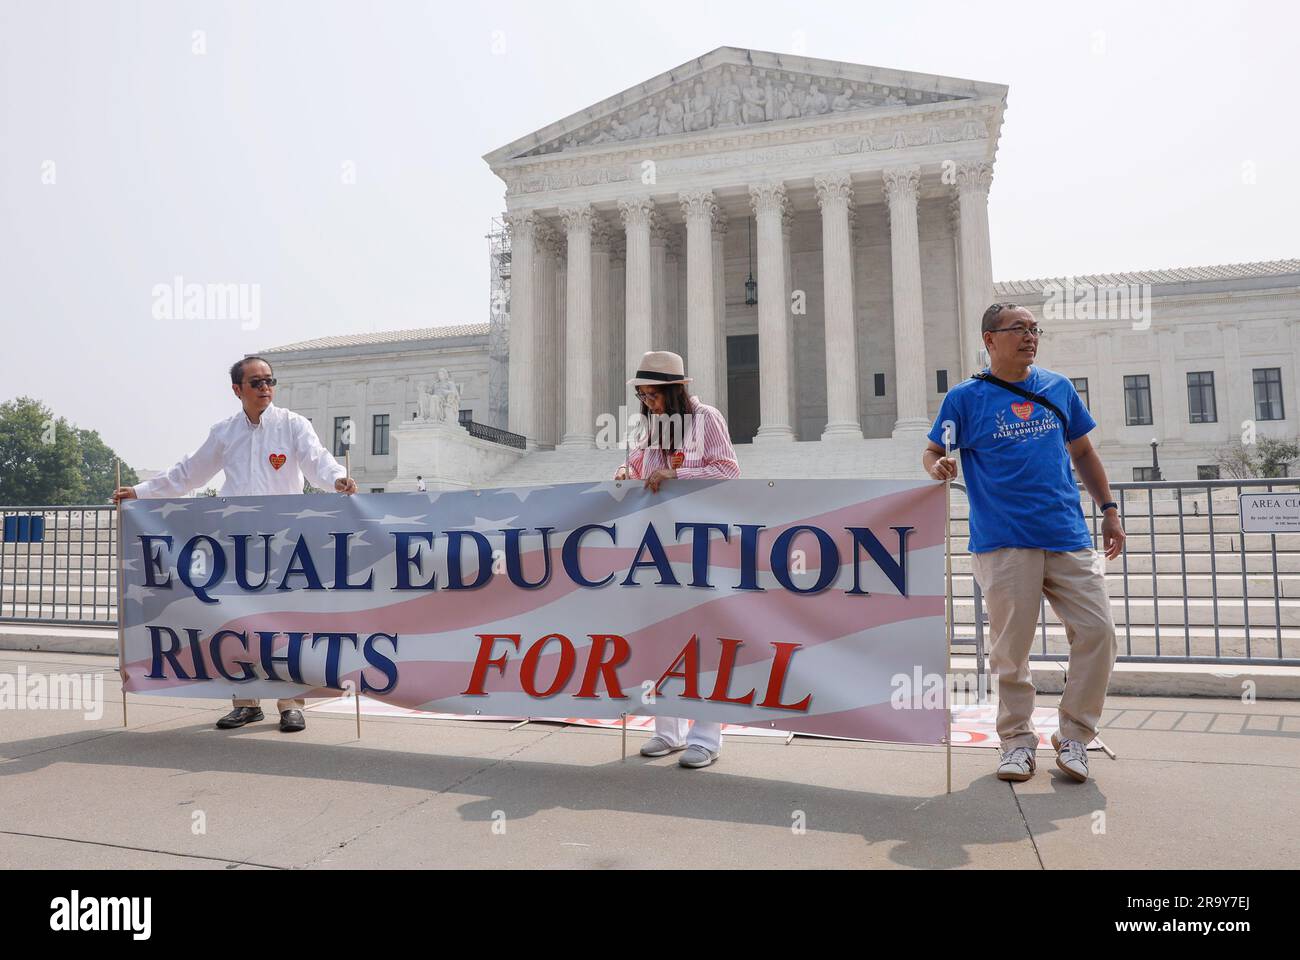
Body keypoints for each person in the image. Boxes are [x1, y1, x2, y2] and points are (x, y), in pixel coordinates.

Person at [922, 304, 1125, 783]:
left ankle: (1075, 735)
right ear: (991, 340)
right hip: (1004, 541)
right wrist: (937, 467)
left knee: (1099, 633)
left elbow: (1084, 452)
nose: (1030, 337)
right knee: (1011, 649)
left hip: (1067, 535)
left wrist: (1109, 510)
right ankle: (1015, 741)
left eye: (1035, 330)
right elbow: (935, 450)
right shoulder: (964, 398)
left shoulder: (1058, 388)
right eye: (1019, 329)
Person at [113, 356, 357, 733]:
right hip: (236, 545)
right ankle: (245, 703)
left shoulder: (293, 425)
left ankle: (291, 703)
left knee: (285, 623)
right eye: (256, 382)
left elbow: (318, 462)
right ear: (237, 389)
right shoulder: (224, 432)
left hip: (285, 544)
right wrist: (140, 492)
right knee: (239, 623)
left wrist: (338, 479)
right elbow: (188, 474)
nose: (265, 388)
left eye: (269, 381)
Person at [614, 350, 740, 768]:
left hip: (701, 546)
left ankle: (706, 738)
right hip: (655, 548)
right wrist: (624, 473)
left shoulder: (707, 419)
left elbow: (728, 471)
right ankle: (667, 731)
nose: (649, 403)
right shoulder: (648, 428)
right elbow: (637, 469)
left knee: (703, 640)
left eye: (655, 395)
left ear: (675, 391)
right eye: (644, 397)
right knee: (661, 636)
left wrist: (678, 474)